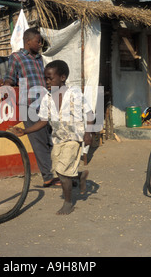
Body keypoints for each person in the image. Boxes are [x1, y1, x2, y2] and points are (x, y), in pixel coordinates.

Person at [9, 60, 93, 215]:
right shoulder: (46, 98)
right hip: (58, 139)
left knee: (62, 171)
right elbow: (43, 121)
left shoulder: (74, 93)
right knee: (57, 168)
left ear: (62, 77)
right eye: (45, 78)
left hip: (74, 138)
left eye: (50, 78)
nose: (47, 82)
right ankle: (80, 176)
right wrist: (25, 131)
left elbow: (89, 114)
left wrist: (88, 133)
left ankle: (68, 203)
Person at [0, 28, 58, 187]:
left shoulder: (39, 59)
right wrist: (5, 89)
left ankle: (55, 172)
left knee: (50, 140)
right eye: (38, 41)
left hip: (45, 102)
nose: (40, 44)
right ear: (28, 41)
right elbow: (10, 78)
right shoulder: (16, 57)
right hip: (29, 104)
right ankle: (48, 177)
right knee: (38, 142)